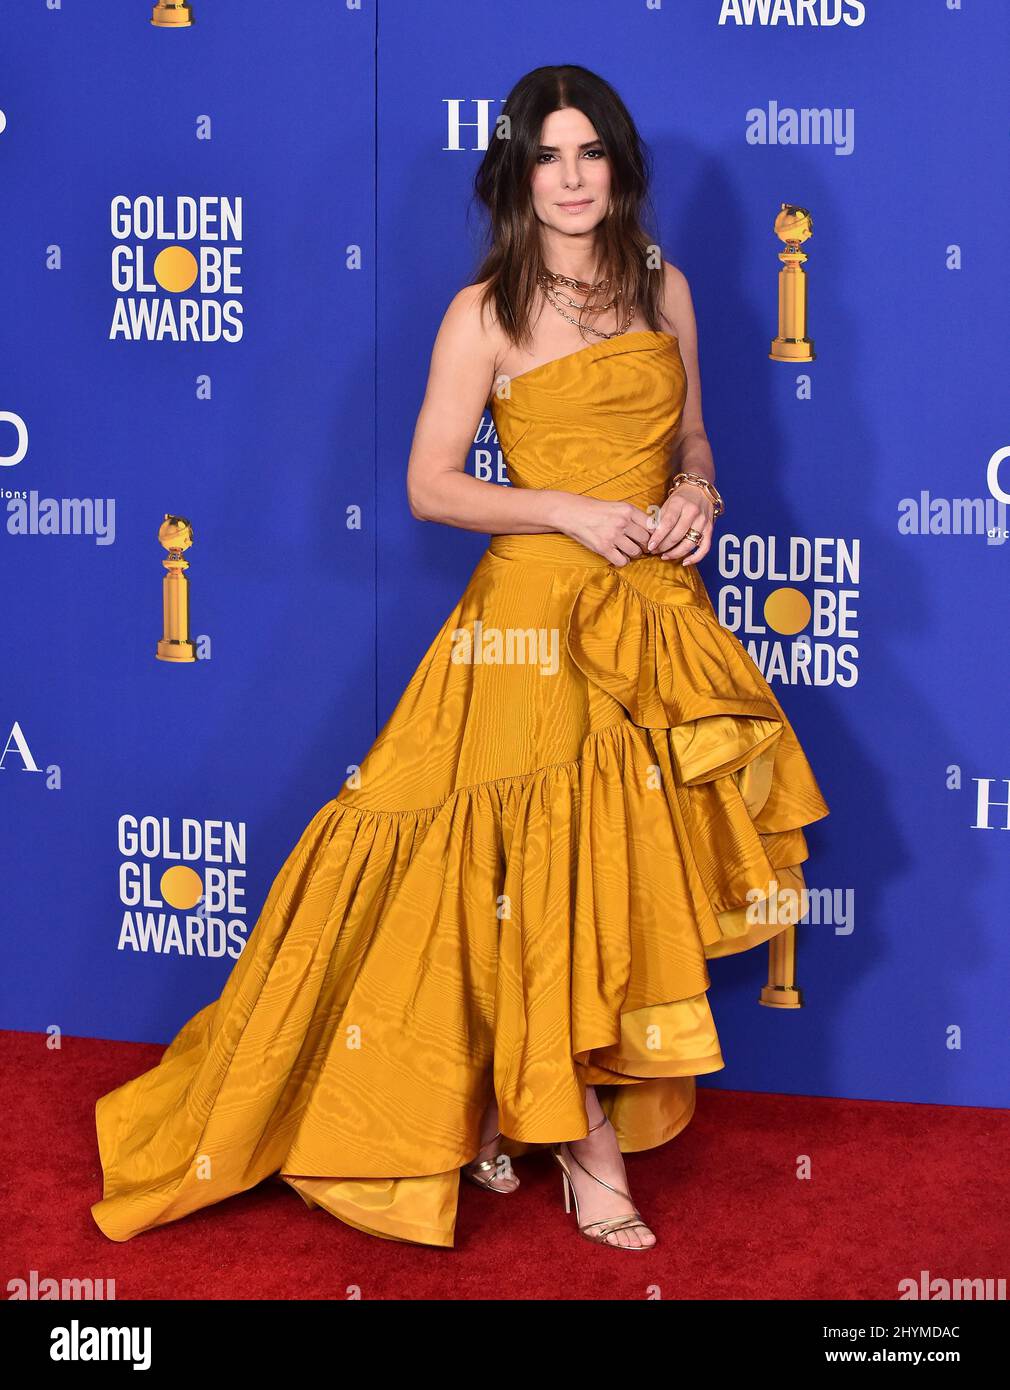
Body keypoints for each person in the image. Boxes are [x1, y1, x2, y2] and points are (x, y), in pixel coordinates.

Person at [91, 64, 829, 1254]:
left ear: (619, 165)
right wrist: (568, 511)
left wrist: (697, 487)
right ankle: (582, 1145)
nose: (573, 177)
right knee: (519, 875)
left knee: (607, 885)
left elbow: (692, 431)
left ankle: (503, 1100)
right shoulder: (481, 311)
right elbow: (430, 485)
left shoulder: (664, 286)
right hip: (531, 629)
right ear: (516, 173)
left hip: (649, 626)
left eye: (590, 153)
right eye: (548, 155)